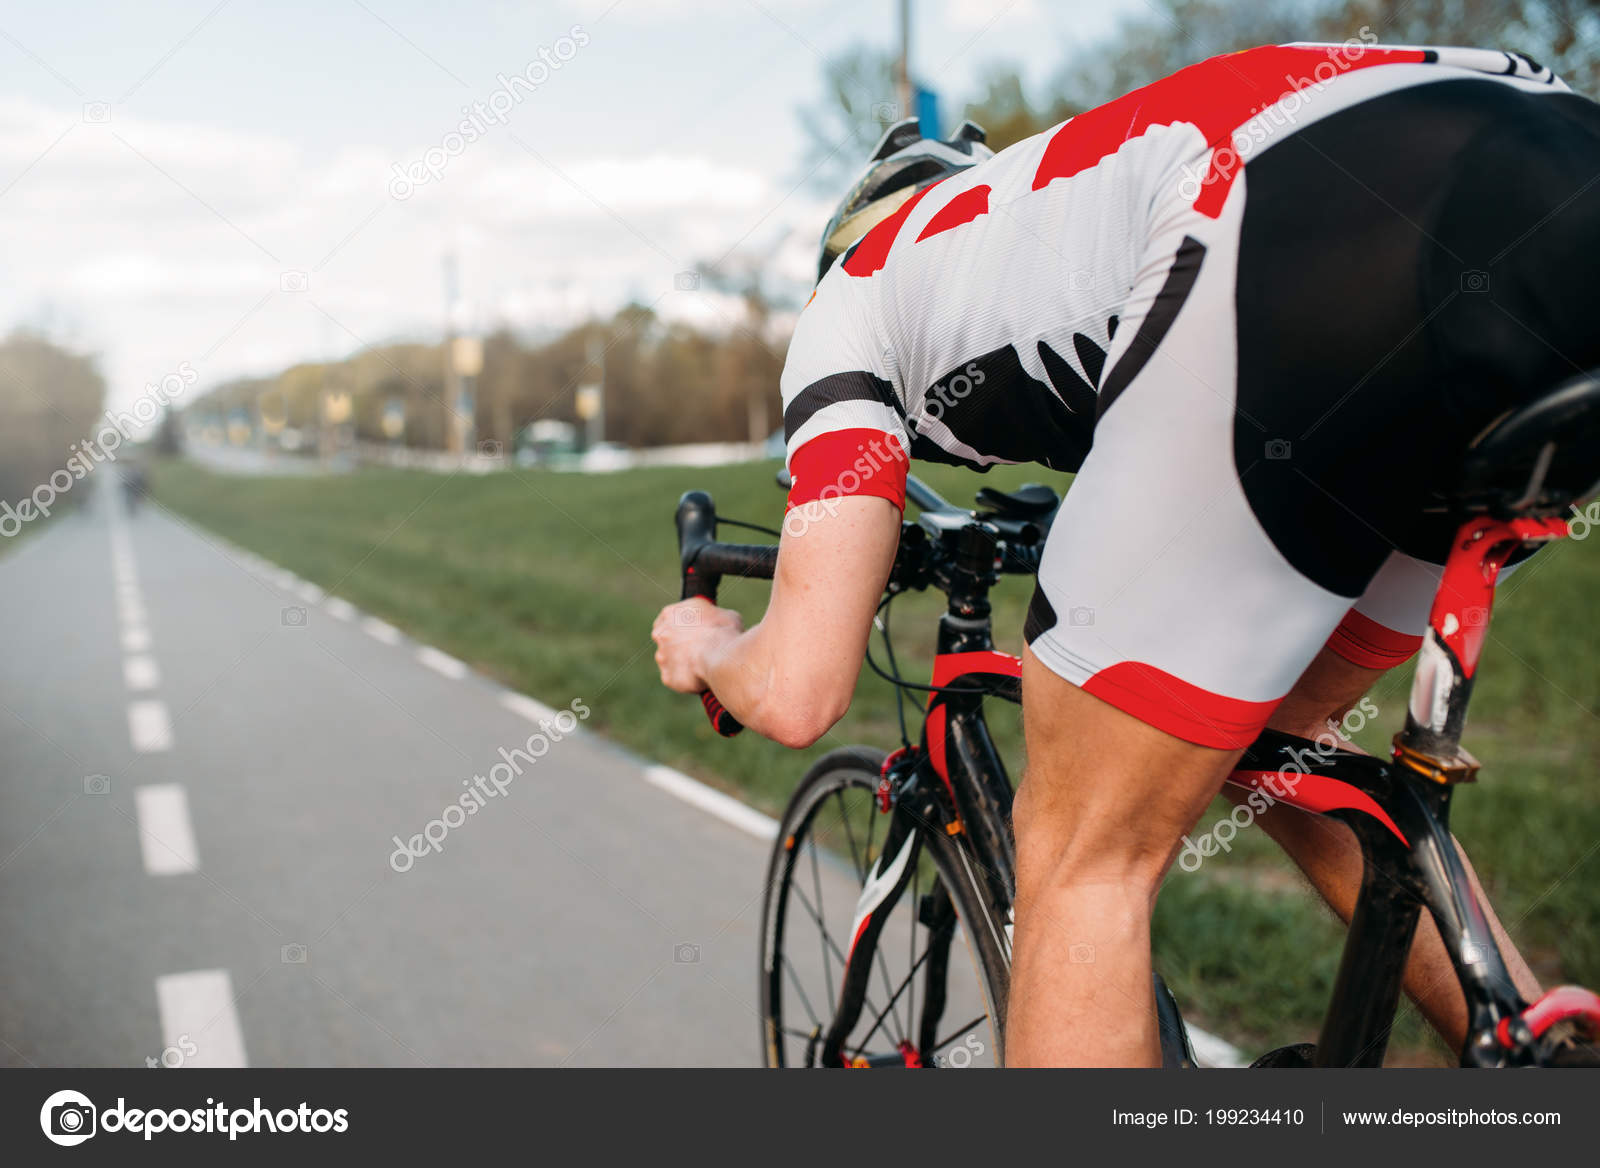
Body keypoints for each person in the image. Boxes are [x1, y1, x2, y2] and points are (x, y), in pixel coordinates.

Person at [652, 41, 1600, 1065]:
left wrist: (706, 641)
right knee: (1286, 731)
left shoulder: (854, 292)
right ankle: (1535, 1058)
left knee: (1082, 857)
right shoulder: (1043, 199)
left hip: (1314, 223)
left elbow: (800, 687)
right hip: (1552, 169)